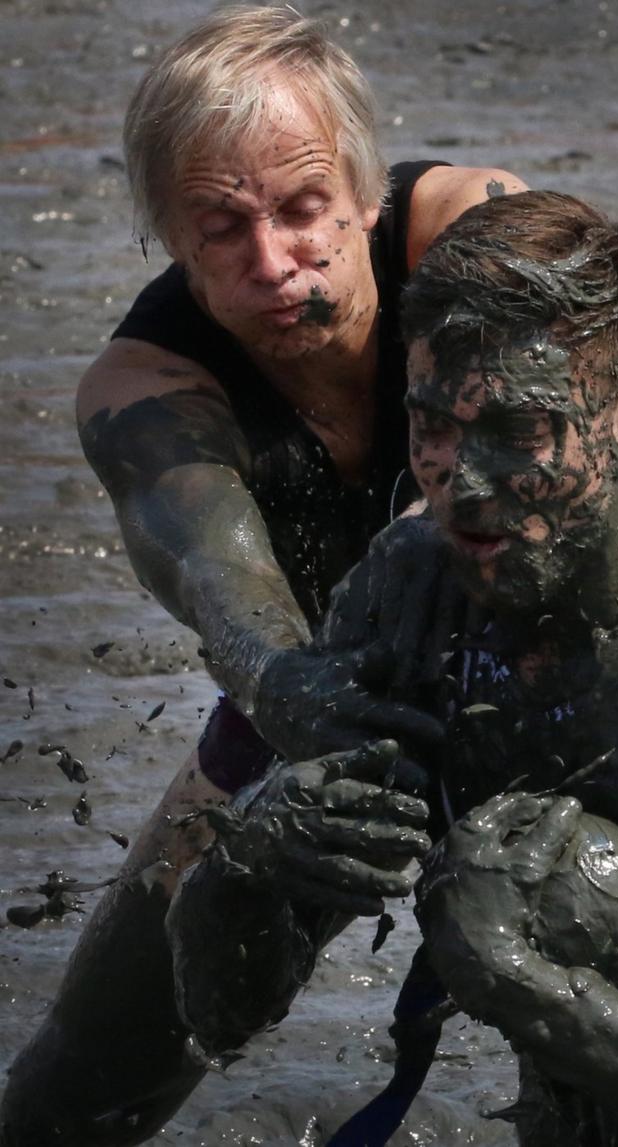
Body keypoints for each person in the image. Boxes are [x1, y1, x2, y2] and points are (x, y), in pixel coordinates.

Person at [165, 190, 618, 1144]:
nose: (462, 484)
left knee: (583, 882)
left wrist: (510, 974)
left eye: (518, 432)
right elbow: (219, 1015)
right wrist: (252, 858)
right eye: (435, 427)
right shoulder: (412, 597)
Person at [0, 7, 529, 1145]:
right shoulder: (140, 383)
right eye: (221, 229)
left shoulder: (476, 237)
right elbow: (212, 571)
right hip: (315, 697)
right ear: (169, 241)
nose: (275, 261)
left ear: (363, 192)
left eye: (301, 210)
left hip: (553, 668)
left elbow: (582, 460)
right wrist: (290, 695)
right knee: (77, 1089)